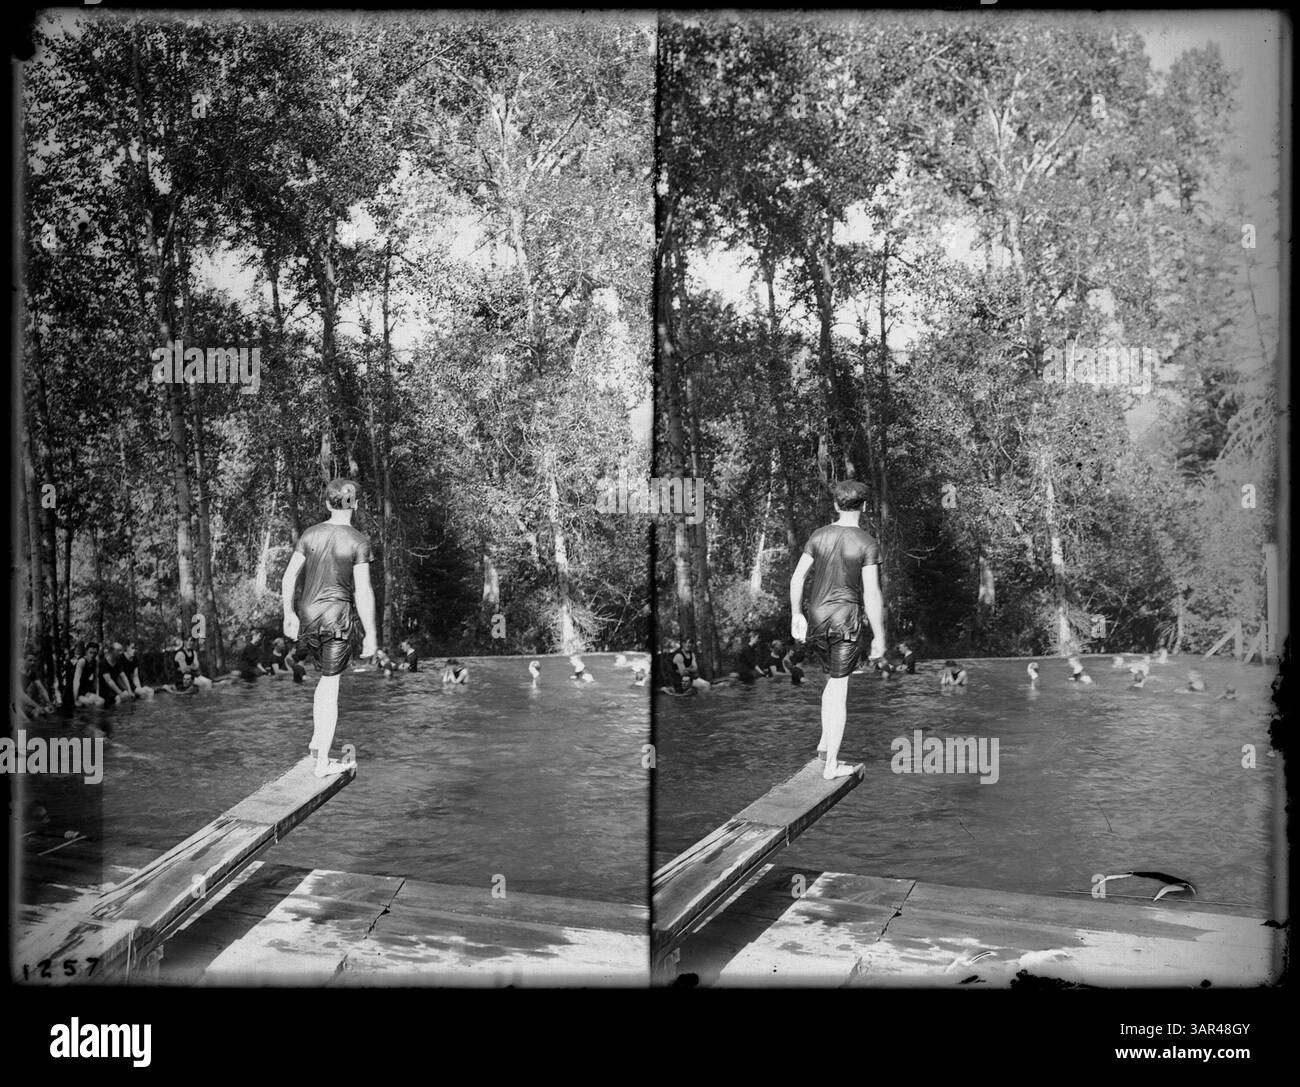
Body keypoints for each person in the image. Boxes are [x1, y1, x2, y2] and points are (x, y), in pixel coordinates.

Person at [790, 479, 885, 780]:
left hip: (817, 617)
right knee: (840, 687)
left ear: (835, 505)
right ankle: (831, 764)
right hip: (845, 618)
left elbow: (796, 579)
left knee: (832, 680)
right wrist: (880, 637)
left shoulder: (818, 535)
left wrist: (796, 614)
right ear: (865, 507)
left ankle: (823, 745)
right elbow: (871, 593)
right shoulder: (867, 542)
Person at [281, 477, 377, 777]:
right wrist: (371, 634)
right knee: (331, 685)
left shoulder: (310, 534)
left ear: (327, 503)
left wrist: (289, 613)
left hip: (309, 615)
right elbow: (363, 590)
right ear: (356, 505)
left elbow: (288, 577)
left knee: (323, 680)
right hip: (337, 616)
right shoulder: (358, 541)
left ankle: (315, 743)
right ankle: (323, 761)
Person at [71, 642, 106, 708]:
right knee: (90, 703)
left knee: (101, 701)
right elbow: (76, 680)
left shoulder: (95, 663)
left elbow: (96, 679)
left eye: (95, 653)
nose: (92, 655)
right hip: (73, 690)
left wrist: (97, 695)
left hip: (84, 690)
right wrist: (75, 699)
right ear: (86, 652)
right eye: (90, 652)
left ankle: (95, 717)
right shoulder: (82, 661)